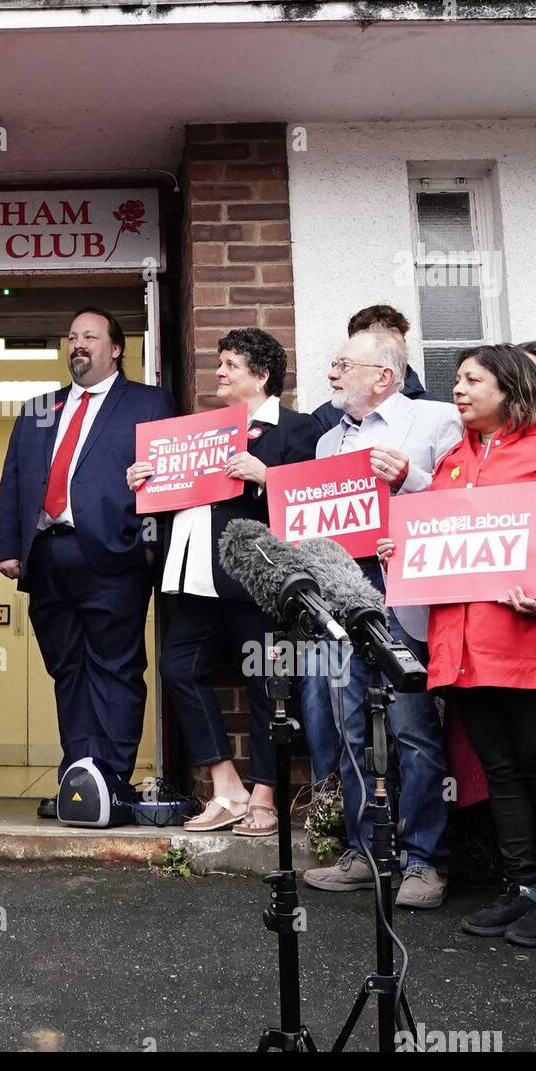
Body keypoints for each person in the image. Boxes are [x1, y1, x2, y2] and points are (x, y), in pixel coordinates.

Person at [128, 328, 322, 835]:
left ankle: (264, 796)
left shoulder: (298, 430)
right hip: (194, 577)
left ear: (261, 375)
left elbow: (314, 507)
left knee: (268, 685)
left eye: (231, 365)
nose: (219, 372)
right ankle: (226, 786)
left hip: (258, 580)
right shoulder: (197, 432)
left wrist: (267, 476)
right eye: (221, 364)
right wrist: (145, 484)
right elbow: (177, 501)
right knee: (177, 667)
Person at [378, 345, 536, 945]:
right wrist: (403, 550)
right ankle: (523, 889)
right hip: (463, 648)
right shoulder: (452, 460)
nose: (459, 389)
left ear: (511, 386)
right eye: (457, 379)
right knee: (501, 772)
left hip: (525, 646)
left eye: (473, 379)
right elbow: (440, 537)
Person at [301, 328, 463, 909]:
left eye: (344, 364)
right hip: (345, 593)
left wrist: (410, 481)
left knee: (410, 728)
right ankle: (364, 852)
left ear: (384, 376)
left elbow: (465, 511)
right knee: (349, 726)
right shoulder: (326, 443)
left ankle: (423, 862)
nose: (332, 373)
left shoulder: (436, 421)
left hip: (403, 590)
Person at [0, 308, 176, 818]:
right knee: (68, 670)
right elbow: (13, 479)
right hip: (48, 555)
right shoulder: (38, 408)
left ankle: (111, 781)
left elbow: (171, 479)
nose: (78, 344)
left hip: (114, 555)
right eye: (72, 337)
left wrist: (148, 544)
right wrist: (8, 546)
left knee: (115, 670)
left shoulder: (148, 402)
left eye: (90, 337)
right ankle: (79, 783)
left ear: (115, 348)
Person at [311, 305, 437, 434]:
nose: (390, 352)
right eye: (376, 344)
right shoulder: (325, 419)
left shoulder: (437, 413)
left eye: (392, 344)